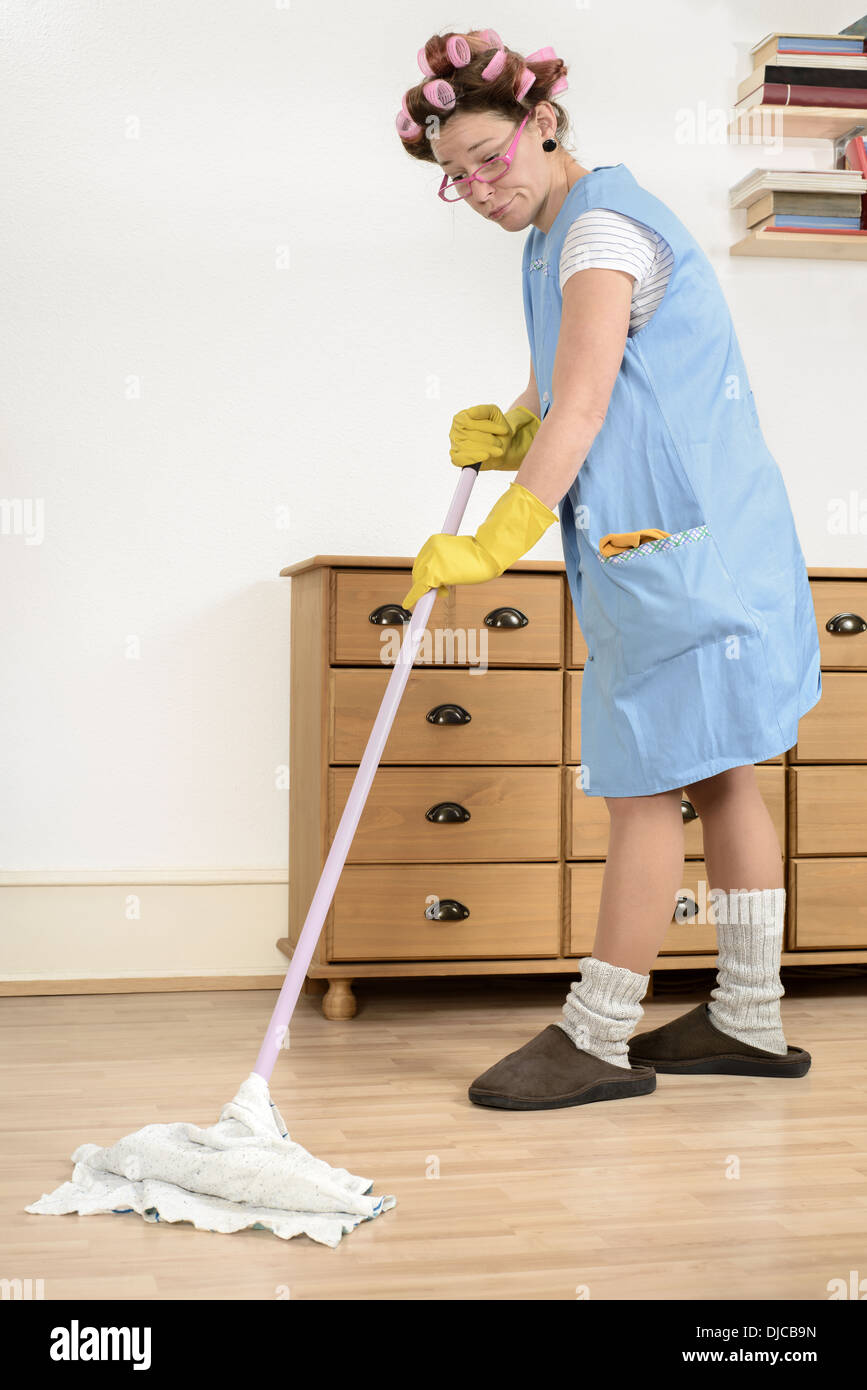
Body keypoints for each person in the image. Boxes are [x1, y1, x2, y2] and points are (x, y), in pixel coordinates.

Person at [395, 29, 821, 1110]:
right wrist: (510, 424)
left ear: (544, 123)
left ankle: (597, 1032)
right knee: (725, 770)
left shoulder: (595, 237)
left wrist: (503, 532)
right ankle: (748, 1014)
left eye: (489, 156)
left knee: (642, 789)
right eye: (455, 176)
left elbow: (583, 410)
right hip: (695, 546)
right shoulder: (559, 234)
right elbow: (565, 383)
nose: (477, 186)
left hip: (682, 552)